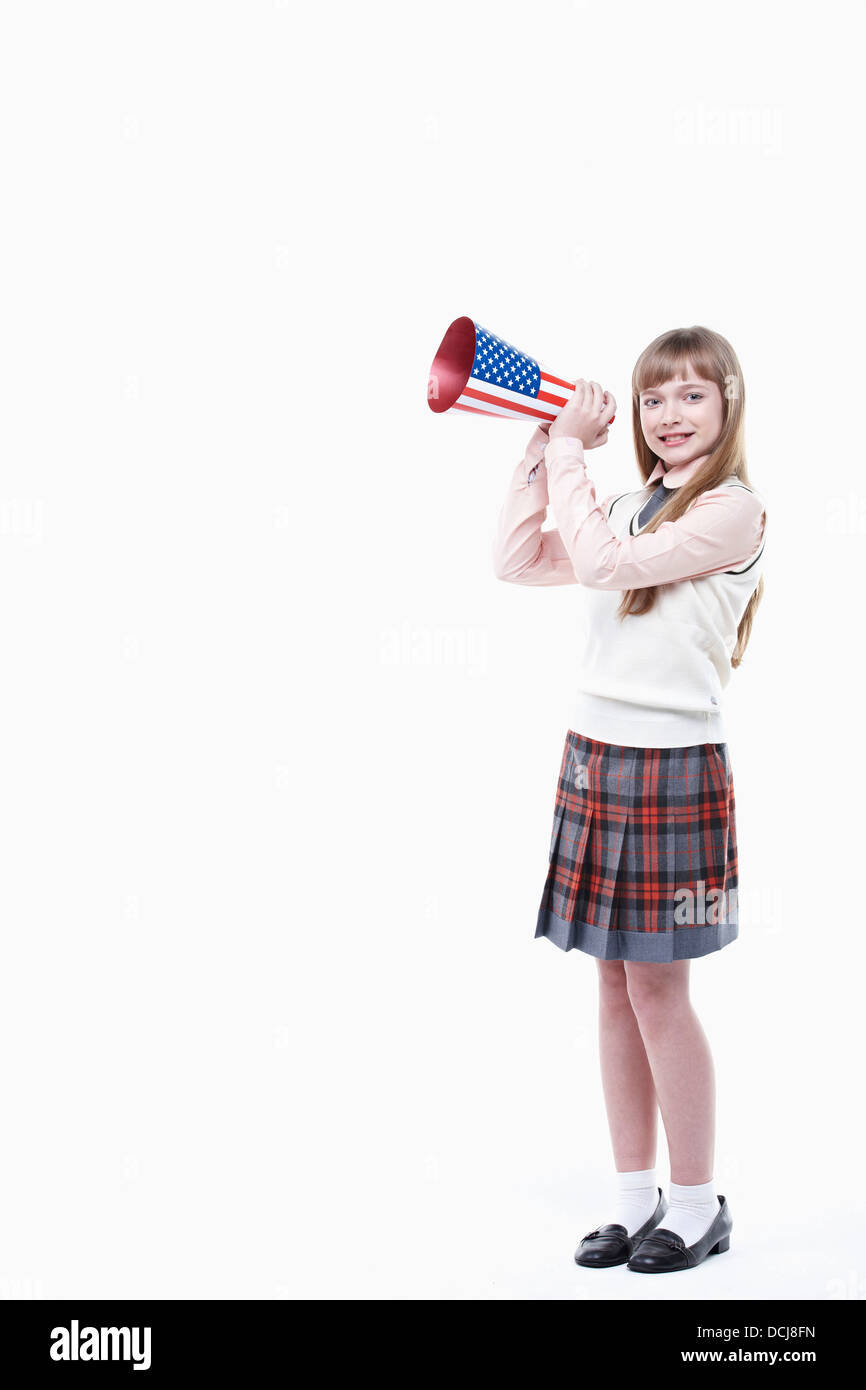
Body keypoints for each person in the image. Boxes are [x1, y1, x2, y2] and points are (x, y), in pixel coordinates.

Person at [491, 325, 766, 1274]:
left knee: (658, 987)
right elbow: (518, 558)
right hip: (593, 761)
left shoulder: (732, 513)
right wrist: (541, 448)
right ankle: (633, 1198)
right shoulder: (623, 504)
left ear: (728, 407)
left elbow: (605, 565)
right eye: (654, 399)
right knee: (610, 981)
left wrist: (568, 448)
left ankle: (696, 1206)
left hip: (673, 766)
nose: (668, 414)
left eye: (692, 395)